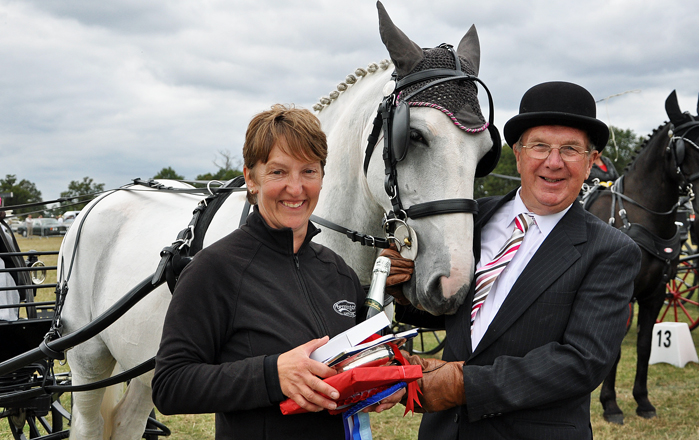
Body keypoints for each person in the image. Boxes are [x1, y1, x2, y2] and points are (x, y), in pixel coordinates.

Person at [388, 81, 641, 439]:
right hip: (445, 431)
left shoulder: (610, 251)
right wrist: (403, 290)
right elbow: (453, 312)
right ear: (518, 154)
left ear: (591, 163)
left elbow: (582, 363)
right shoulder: (470, 223)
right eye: (539, 146)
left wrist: (464, 384)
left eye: (570, 149)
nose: (553, 163)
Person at [152, 104, 394, 439]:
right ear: (251, 179)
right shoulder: (214, 270)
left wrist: (384, 380)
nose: (295, 189)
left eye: (308, 171)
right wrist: (272, 375)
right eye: (278, 172)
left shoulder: (340, 273)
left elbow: (355, 364)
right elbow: (170, 385)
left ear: (322, 178)